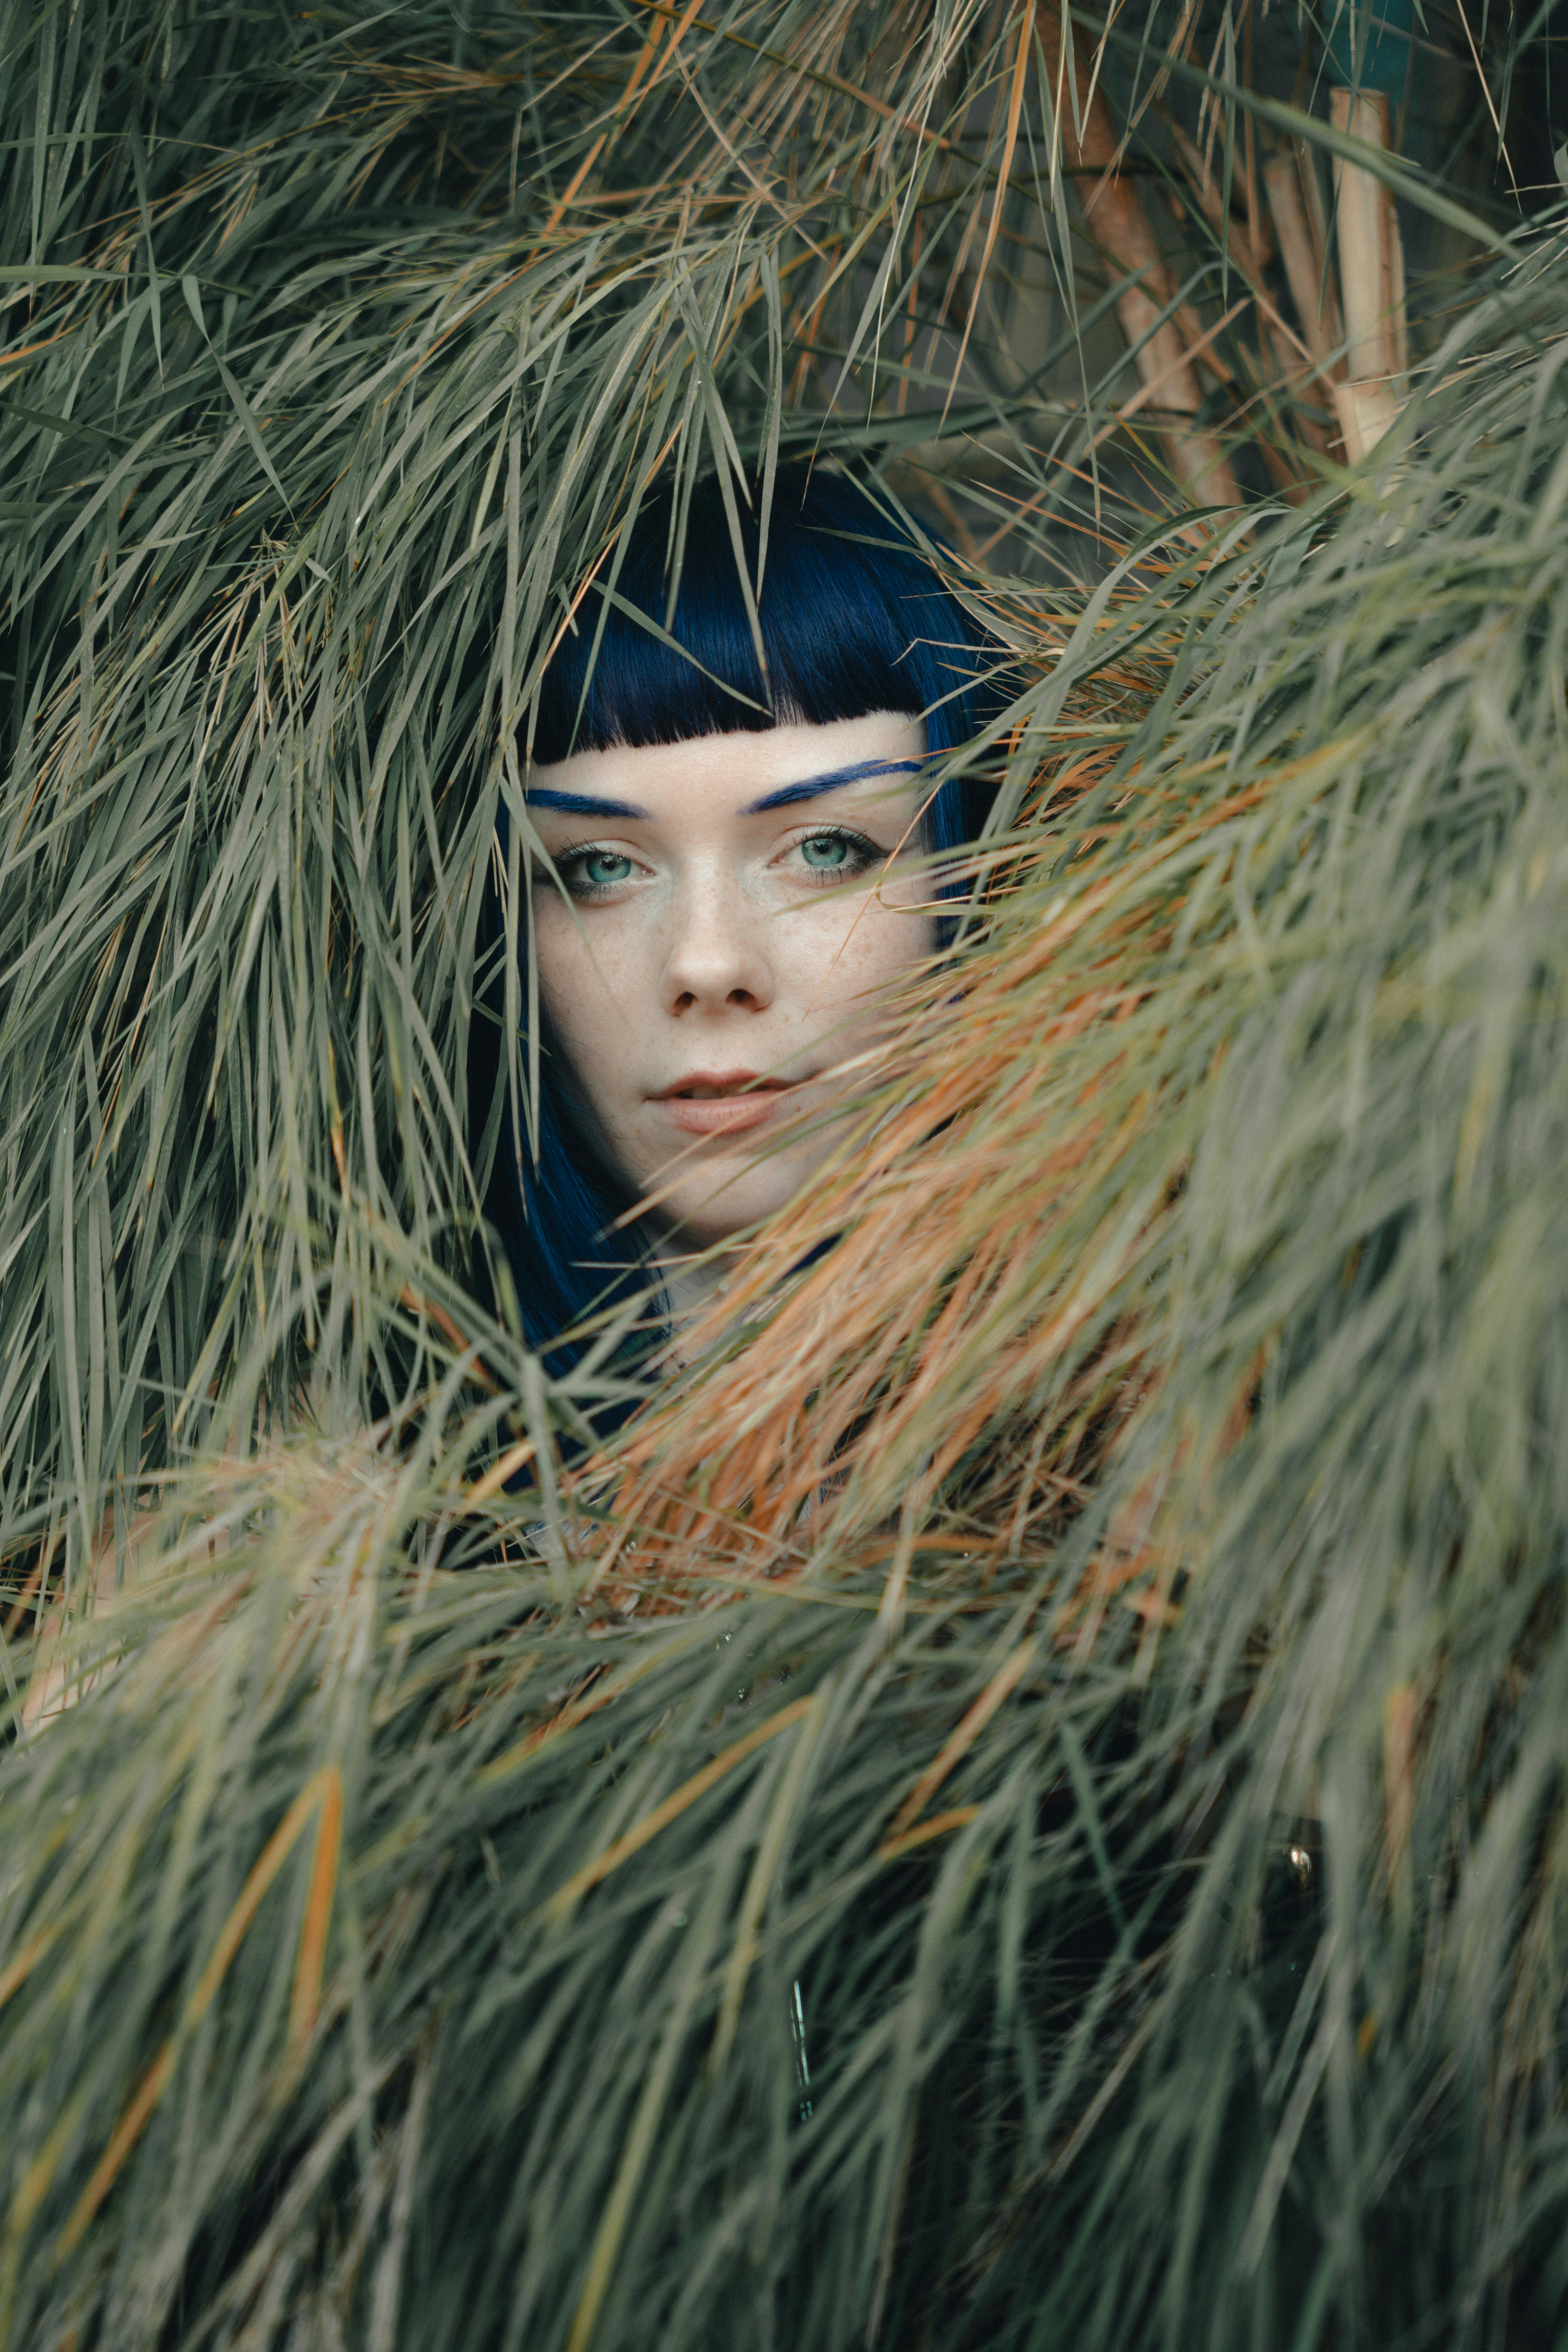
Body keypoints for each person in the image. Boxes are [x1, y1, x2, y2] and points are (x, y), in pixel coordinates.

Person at [480, 464, 1004, 1375]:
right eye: (601, 867)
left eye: (826, 850)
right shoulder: (311, 1494)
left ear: (974, 877)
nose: (709, 964)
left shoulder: (1186, 1467)